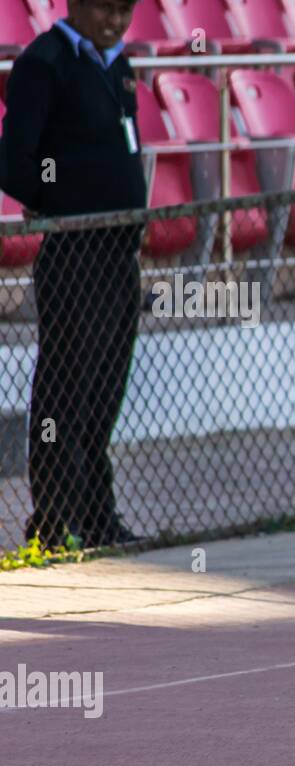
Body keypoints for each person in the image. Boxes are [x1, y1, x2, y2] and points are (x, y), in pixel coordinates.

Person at [0, 0, 147, 549]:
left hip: (118, 251)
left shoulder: (115, 64)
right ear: (76, 5)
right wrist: (58, 205)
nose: (114, 22)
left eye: (124, 10)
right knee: (65, 389)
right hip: (74, 251)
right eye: (105, 10)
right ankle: (55, 521)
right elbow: (16, 161)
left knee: (105, 389)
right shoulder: (46, 63)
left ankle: (96, 515)